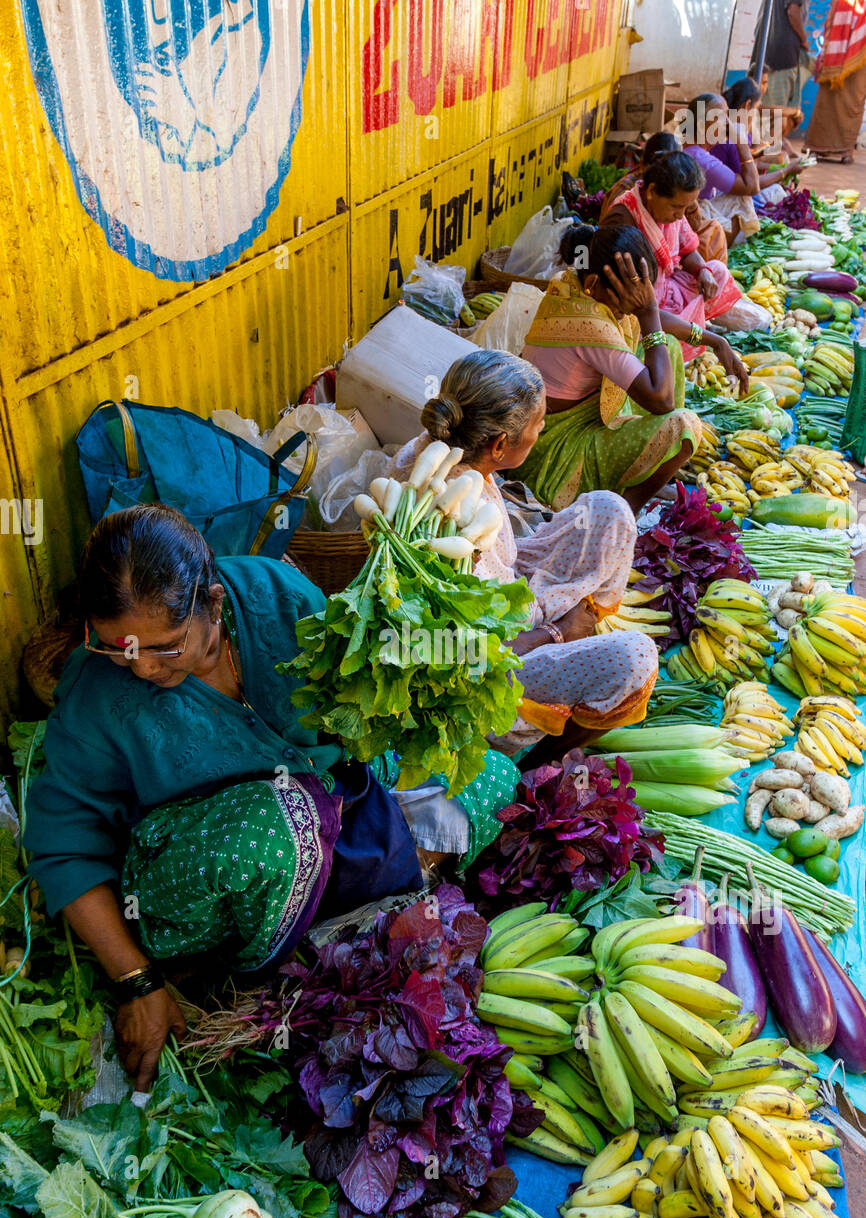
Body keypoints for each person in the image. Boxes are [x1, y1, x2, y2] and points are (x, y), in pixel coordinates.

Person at [23, 506, 519, 1087]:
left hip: (329, 806)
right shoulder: (96, 693)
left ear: (211, 602)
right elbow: (63, 848)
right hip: (203, 870)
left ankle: (331, 916)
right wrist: (137, 981)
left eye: (165, 645)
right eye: (119, 648)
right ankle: (253, 960)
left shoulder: (275, 598)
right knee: (277, 824)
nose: (140, 667)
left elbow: (353, 721)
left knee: (490, 776)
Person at [388, 349, 661, 757]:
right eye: (540, 423)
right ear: (500, 444)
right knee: (635, 660)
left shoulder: (434, 447)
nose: (543, 430)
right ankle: (535, 759)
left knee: (609, 511)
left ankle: (583, 627)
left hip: (503, 591)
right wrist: (557, 634)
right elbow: (465, 651)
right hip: (480, 664)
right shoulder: (452, 531)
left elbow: (500, 566)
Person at [513, 223, 746, 510]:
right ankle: (624, 510)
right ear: (595, 284)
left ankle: (641, 471)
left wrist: (714, 340)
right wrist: (647, 313)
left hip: (561, 420)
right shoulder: (590, 324)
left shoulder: (576, 284)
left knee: (666, 347)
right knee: (683, 427)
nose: (633, 310)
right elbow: (662, 401)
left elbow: (653, 319)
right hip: (556, 451)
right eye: (631, 303)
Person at [602, 151, 749, 334]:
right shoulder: (623, 219)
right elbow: (622, 295)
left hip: (668, 290)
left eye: (685, 208)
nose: (681, 216)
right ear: (651, 191)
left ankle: (690, 326)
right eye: (676, 207)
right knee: (667, 337)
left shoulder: (670, 212)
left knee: (716, 272)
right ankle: (689, 330)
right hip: (638, 308)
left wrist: (702, 270)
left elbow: (688, 251)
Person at [682, 90, 807, 238]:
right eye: (722, 118)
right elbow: (751, 187)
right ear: (703, 126)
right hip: (695, 223)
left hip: (701, 210)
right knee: (743, 198)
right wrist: (739, 140)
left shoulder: (696, 149)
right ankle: (734, 241)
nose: (728, 123)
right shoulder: (700, 157)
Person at [601, 132, 729, 266]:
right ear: (644, 165)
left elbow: (693, 228)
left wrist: (688, 202)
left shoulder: (674, 192)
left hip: (666, 251)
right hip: (643, 258)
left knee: (712, 231)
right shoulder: (627, 199)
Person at [806, 0, 866, 163]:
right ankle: (817, 147)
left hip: (857, 59)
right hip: (837, 59)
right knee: (826, 104)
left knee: (852, 103)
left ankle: (845, 149)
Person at [752, 0, 812, 108]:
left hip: (763, 54)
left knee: (760, 109)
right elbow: (793, 12)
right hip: (782, 57)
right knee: (776, 114)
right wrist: (804, 40)